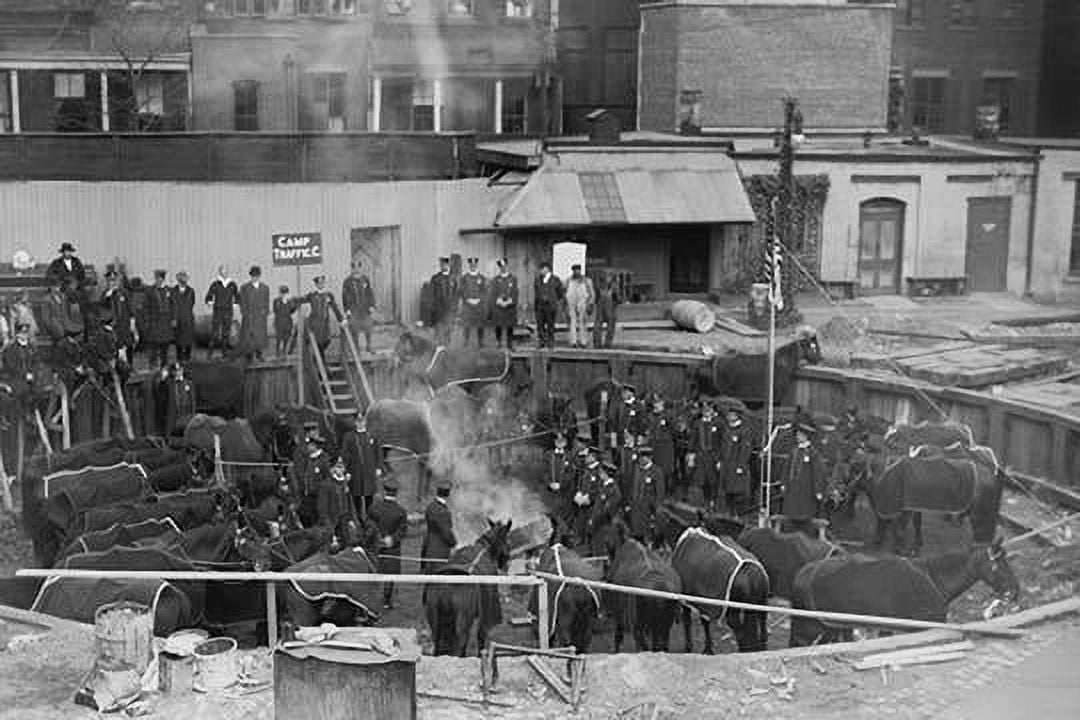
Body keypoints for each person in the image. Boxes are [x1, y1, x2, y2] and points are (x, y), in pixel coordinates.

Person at [367, 476, 408, 609]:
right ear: (396, 493)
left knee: (372, 572)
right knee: (390, 575)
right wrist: (392, 539)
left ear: (384, 491)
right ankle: (386, 600)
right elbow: (402, 531)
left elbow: (369, 525)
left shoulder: (374, 508)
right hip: (392, 549)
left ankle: (370, 599)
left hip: (375, 547)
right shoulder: (401, 512)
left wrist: (378, 538)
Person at [781, 422, 826, 537]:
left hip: (806, 491)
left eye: (800, 435)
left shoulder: (813, 453)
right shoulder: (794, 451)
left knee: (805, 517)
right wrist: (784, 483)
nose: (797, 437)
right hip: (793, 490)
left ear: (806, 436)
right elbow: (786, 468)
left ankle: (807, 537)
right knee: (792, 515)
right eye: (797, 434)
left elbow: (818, 473)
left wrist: (818, 490)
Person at [39, 278, 85, 374]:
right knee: (60, 344)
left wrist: (71, 325)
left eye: (59, 286)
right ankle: (59, 366)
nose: (57, 288)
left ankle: (73, 364)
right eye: (55, 287)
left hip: (65, 324)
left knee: (78, 335)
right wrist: (52, 329)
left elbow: (66, 314)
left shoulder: (63, 297)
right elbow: (46, 319)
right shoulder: (46, 299)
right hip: (55, 327)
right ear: (51, 288)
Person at [719, 400, 754, 516]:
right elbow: (722, 446)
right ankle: (729, 513)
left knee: (738, 492)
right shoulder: (726, 429)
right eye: (728, 415)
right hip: (726, 465)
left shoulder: (744, 431)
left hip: (737, 466)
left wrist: (741, 465)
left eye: (732, 415)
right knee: (727, 491)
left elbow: (745, 450)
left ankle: (739, 515)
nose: (729, 417)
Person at [342, 411, 380, 517]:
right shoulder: (349, 436)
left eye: (362, 420)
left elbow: (378, 452)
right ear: (355, 422)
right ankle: (359, 517)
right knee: (356, 494)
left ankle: (369, 515)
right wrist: (347, 470)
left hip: (369, 470)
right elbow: (345, 454)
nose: (360, 423)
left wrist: (378, 466)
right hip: (355, 470)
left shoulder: (372, 434)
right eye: (358, 421)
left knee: (369, 494)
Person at [290, 433, 330, 529]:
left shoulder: (323, 460)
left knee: (311, 515)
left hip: (318, 495)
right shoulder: (310, 459)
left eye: (310, 445)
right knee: (303, 512)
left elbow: (326, 477)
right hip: (309, 494)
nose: (308, 447)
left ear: (315, 446)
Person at [629, 446, 665, 546]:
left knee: (648, 533)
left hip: (649, 509)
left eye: (644, 457)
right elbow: (632, 487)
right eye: (640, 457)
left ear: (650, 458)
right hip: (637, 507)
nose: (641, 460)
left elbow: (660, 492)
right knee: (637, 531)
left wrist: (657, 508)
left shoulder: (656, 471)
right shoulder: (636, 470)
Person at [692, 401, 724, 510]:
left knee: (713, 480)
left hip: (713, 456)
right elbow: (693, 439)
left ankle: (713, 501)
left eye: (709, 409)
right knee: (702, 480)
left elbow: (722, 441)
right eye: (705, 409)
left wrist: (720, 458)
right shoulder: (697, 423)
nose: (707, 411)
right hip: (701, 455)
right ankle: (706, 501)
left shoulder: (719, 423)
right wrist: (691, 454)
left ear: (713, 410)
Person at [421, 479, 457, 572]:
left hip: (430, 549)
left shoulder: (430, 507)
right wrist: (454, 543)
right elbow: (446, 533)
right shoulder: (443, 512)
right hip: (440, 552)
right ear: (448, 494)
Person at [304, 275, 343, 358]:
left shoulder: (328, 295)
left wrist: (341, 319)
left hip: (324, 323)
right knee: (316, 341)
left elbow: (334, 307)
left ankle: (319, 357)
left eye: (323, 283)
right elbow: (304, 302)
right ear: (316, 284)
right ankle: (320, 361)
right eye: (319, 283)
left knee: (326, 340)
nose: (321, 285)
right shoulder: (312, 295)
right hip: (314, 322)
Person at [342, 261, 377, 353]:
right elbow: (344, 296)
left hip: (365, 308)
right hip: (354, 309)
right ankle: (356, 348)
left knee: (368, 327)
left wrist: (372, 305)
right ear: (351, 269)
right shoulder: (347, 281)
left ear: (361, 268)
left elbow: (370, 293)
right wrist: (347, 309)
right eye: (354, 268)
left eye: (358, 267)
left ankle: (369, 346)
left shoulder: (365, 279)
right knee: (354, 329)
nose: (356, 270)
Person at [101, 270, 136, 364]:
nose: (112, 283)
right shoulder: (105, 294)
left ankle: (130, 364)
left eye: (113, 280)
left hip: (124, 323)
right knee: (115, 345)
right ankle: (118, 367)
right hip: (113, 325)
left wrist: (132, 321)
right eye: (109, 280)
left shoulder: (124, 292)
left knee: (128, 344)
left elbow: (130, 307)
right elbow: (102, 308)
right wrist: (107, 296)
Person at [143, 269, 175, 369]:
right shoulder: (150, 291)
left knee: (165, 346)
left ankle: (164, 366)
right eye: (156, 278)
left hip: (166, 322)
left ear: (163, 279)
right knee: (153, 345)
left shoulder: (169, 290)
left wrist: (173, 318)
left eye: (160, 278)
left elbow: (173, 305)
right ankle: (152, 366)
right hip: (155, 322)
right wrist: (147, 320)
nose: (158, 280)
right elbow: (146, 306)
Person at [205, 265, 238, 358]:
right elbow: (209, 295)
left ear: (228, 272)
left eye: (226, 271)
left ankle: (224, 352)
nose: (224, 273)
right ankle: (210, 351)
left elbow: (237, 295)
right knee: (215, 332)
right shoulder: (215, 284)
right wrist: (209, 301)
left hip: (228, 311)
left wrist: (235, 303)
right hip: (218, 311)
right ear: (220, 272)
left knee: (226, 332)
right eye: (222, 271)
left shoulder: (232, 284)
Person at [238, 265, 270, 361]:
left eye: (256, 275)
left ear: (259, 276)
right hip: (249, 315)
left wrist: (265, 312)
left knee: (260, 336)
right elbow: (242, 301)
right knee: (248, 335)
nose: (254, 277)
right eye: (253, 275)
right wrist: (244, 313)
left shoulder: (265, 288)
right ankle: (249, 355)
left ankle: (259, 353)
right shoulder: (244, 287)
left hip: (260, 316)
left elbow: (266, 301)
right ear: (250, 276)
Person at [1, 321, 37, 405]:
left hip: (30, 378)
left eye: (26, 332)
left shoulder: (30, 347)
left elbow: (34, 362)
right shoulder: (10, 348)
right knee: (22, 391)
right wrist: (25, 375)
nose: (24, 335)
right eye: (22, 332)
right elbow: (11, 367)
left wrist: (32, 373)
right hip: (14, 379)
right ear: (17, 333)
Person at [458, 257, 487, 349]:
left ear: (477, 265)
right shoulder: (464, 277)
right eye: (471, 265)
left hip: (479, 305)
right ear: (469, 265)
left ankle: (480, 342)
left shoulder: (482, 278)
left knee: (480, 324)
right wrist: (468, 299)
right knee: (466, 324)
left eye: (475, 265)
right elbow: (461, 290)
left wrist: (479, 300)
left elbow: (485, 291)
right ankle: (466, 342)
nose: (473, 266)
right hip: (468, 305)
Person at [489, 258, 518, 350]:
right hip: (499, 306)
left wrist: (510, 301)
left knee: (510, 326)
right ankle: (498, 342)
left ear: (507, 265)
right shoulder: (495, 279)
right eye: (501, 266)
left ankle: (510, 343)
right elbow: (493, 293)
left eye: (505, 266)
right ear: (499, 267)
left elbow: (515, 292)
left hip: (509, 306)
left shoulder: (513, 278)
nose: (503, 268)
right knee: (498, 324)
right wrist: (498, 301)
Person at [533, 261, 563, 349]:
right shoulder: (538, 279)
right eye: (540, 269)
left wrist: (553, 299)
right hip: (540, 305)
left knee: (550, 324)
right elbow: (536, 292)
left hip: (551, 306)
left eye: (542, 269)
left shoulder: (555, 279)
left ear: (547, 269)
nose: (540, 271)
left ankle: (550, 341)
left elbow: (560, 293)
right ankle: (541, 341)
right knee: (540, 324)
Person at [427, 257, 456, 347]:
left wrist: (455, 308)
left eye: (445, 264)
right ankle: (438, 348)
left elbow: (456, 294)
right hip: (439, 310)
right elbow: (431, 294)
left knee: (449, 330)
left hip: (450, 310)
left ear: (449, 265)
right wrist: (432, 308)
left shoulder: (453, 279)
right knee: (439, 331)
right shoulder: (435, 278)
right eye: (442, 264)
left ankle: (448, 350)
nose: (443, 266)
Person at [318, 456, 353, 528]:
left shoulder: (344, 484)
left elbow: (349, 505)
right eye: (338, 466)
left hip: (344, 521)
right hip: (332, 521)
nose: (341, 469)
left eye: (342, 466)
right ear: (332, 468)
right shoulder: (326, 484)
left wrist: (350, 519)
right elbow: (322, 508)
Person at [564, 264, 594, 349]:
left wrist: (591, 303)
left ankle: (583, 341)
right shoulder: (569, 280)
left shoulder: (586, 280)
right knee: (572, 322)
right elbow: (565, 293)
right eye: (575, 270)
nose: (576, 271)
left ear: (580, 270)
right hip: (571, 303)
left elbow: (592, 293)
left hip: (582, 303)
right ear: (572, 271)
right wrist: (565, 305)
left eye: (578, 270)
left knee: (582, 322)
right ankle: (573, 341)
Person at [172, 271, 196, 363]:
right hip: (178, 318)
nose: (183, 280)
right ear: (178, 279)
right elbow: (172, 304)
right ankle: (179, 358)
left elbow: (192, 302)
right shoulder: (173, 291)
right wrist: (174, 318)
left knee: (188, 338)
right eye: (181, 278)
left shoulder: (191, 291)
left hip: (188, 318)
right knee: (178, 338)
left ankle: (187, 357)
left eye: (185, 278)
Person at [593, 272, 620, 349]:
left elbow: (617, 300)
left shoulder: (614, 288)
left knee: (610, 328)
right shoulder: (599, 288)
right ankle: (597, 343)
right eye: (607, 278)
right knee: (597, 327)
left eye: (609, 277)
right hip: (601, 310)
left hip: (610, 309)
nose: (607, 279)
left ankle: (607, 344)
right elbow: (596, 299)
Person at [273, 285, 298, 358]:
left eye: (285, 293)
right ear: (280, 293)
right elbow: (275, 310)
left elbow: (293, 310)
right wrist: (282, 303)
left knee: (286, 336)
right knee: (279, 337)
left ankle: (284, 350)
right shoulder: (276, 300)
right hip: (279, 320)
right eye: (282, 292)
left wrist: (292, 303)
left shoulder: (290, 301)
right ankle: (277, 351)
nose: (283, 294)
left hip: (288, 321)